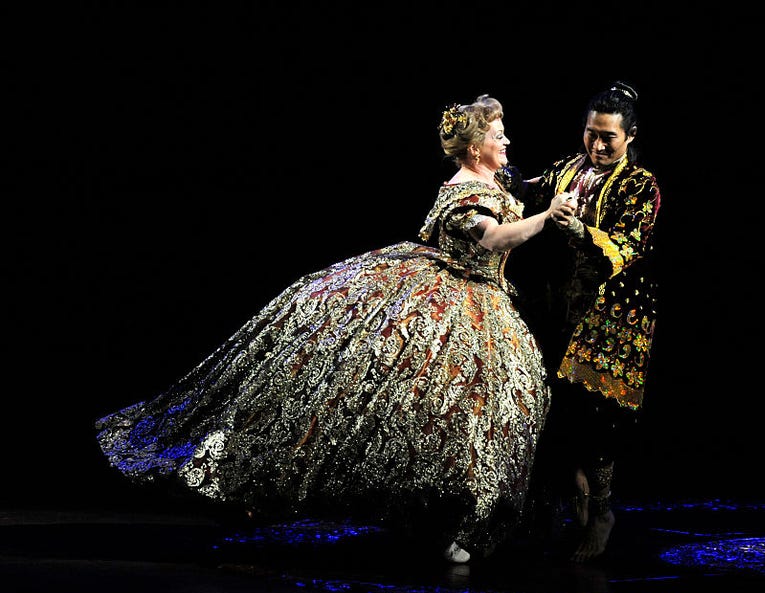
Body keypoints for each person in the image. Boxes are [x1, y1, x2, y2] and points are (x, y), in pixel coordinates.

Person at [95, 94, 580, 565]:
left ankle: (451, 519)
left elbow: (525, 189)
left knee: (488, 406)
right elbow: (495, 237)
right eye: (499, 135)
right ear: (476, 148)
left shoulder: (495, 181)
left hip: (488, 300)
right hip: (453, 294)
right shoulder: (461, 192)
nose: (508, 140)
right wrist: (547, 217)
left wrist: (570, 181)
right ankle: (437, 518)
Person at [517, 81, 662, 563]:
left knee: (596, 417)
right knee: (550, 412)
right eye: (591, 134)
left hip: (609, 318)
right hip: (555, 306)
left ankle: (601, 510)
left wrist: (583, 232)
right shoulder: (565, 170)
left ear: (630, 136)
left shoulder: (640, 185)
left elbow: (629, 248)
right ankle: (566, 501)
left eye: (609, 138)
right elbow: (526, 190)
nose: (598, 146)